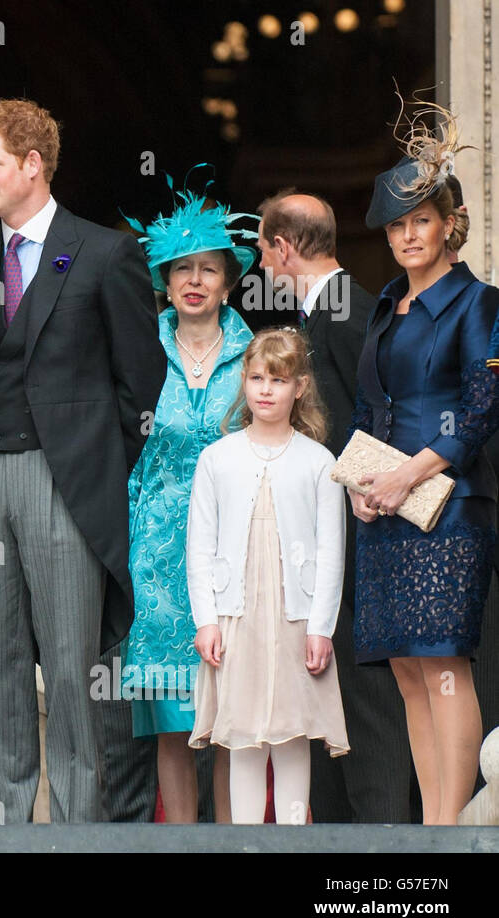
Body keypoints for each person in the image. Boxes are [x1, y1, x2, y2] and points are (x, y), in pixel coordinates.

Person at [0, 99, 165, 823]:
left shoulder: (106, 253)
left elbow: (142, 383)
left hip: (65, 479)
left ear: (32, 166)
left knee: (72, 665)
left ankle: (79, 832)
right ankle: (3, 823)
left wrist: (94, 464)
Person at [352, 105, 499, 826]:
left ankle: (450, 830)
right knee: (409, 672)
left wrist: (410, 474)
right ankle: (430, 832)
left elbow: (480, 410)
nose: (408, 237)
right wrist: (360, 488)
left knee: (444, 665)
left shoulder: (479, 303)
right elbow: (365, 413)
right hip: (384, 508)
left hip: (451, 504)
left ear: (449, 224)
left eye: (421, 222)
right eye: (397, 226)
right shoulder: (385, 308)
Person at [256, 189, 412, 823]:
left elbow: (381, 425)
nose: (262, 271)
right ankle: (342, 832)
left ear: (284, 248)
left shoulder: (351, 317)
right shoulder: (334, 314)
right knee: (332, 687)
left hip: (363, 536)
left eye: (263, 255)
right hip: (330, 540)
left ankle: (383, 844)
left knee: (365, 693)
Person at [120, 185, 255, 823]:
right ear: (165, 281)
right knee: (172, 714)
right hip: (157, 547)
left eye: (207, 268)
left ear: (228, 281)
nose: (194, 280)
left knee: (230, 709)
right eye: (181, 269)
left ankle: (229, 838)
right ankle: (178, 839)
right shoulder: (139, 349)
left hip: (238, 544)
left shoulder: (256, 356)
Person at [188, 328, 349, 824]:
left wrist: (321, 627)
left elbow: (331, 552)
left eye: (277, 380)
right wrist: (206, 621)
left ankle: (294, 839)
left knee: (293, 732)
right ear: (245, 380)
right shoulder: (217, 458)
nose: (265, 390)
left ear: (299, 387)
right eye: (256, 378)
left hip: (294, 620)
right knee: (242, 737)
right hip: (236, 617)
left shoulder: (319, 462)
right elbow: (200, 543)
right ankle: (245, 840)